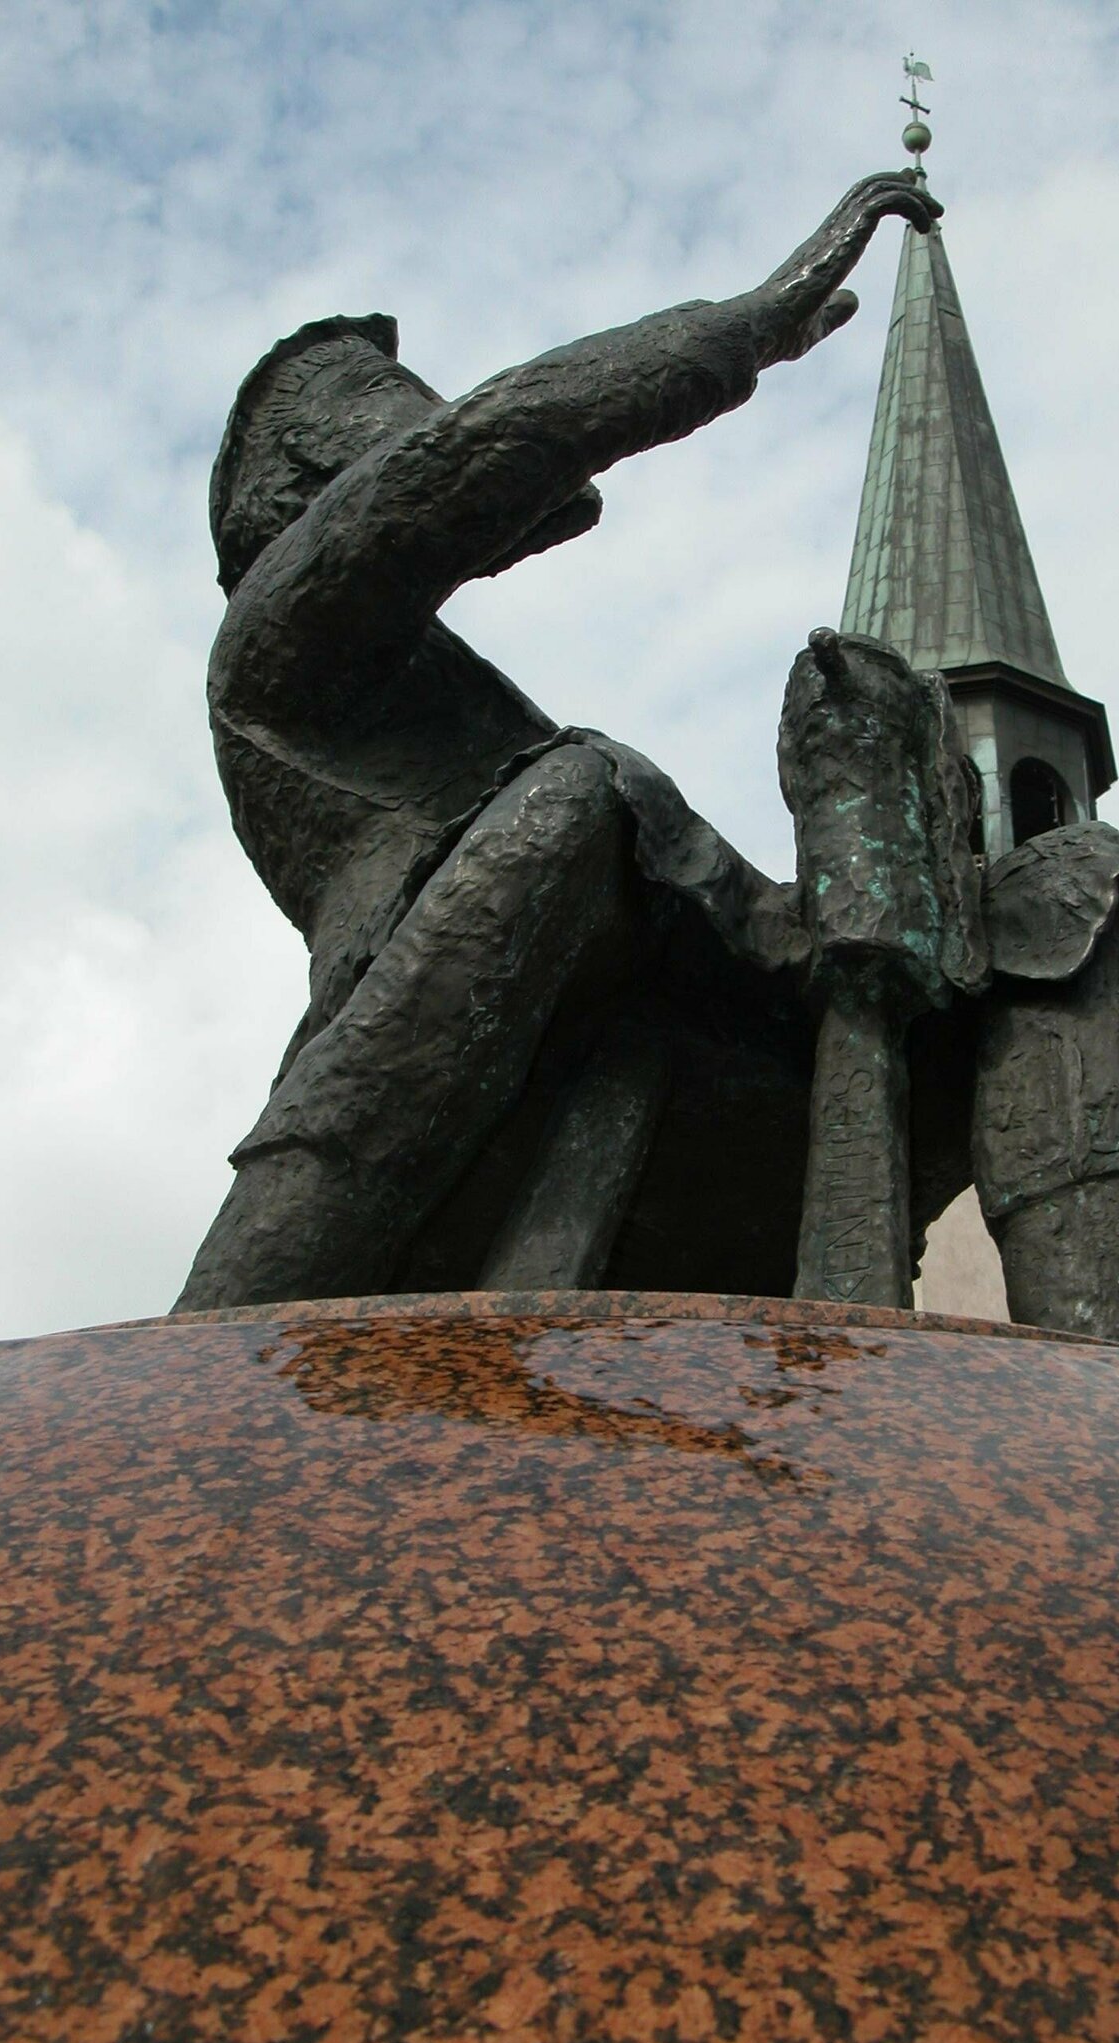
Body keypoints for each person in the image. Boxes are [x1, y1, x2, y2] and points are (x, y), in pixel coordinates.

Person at [177, 173, 942, 1311]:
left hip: (620, 1043)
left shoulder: (440, 690)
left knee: (1063, 898)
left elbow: (481, 466)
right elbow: (471, 455)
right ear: (301, 471)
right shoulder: (273, 643)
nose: (428, 413)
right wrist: (742, 332)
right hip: (400, 1093)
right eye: (384, 402)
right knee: (579, 796)